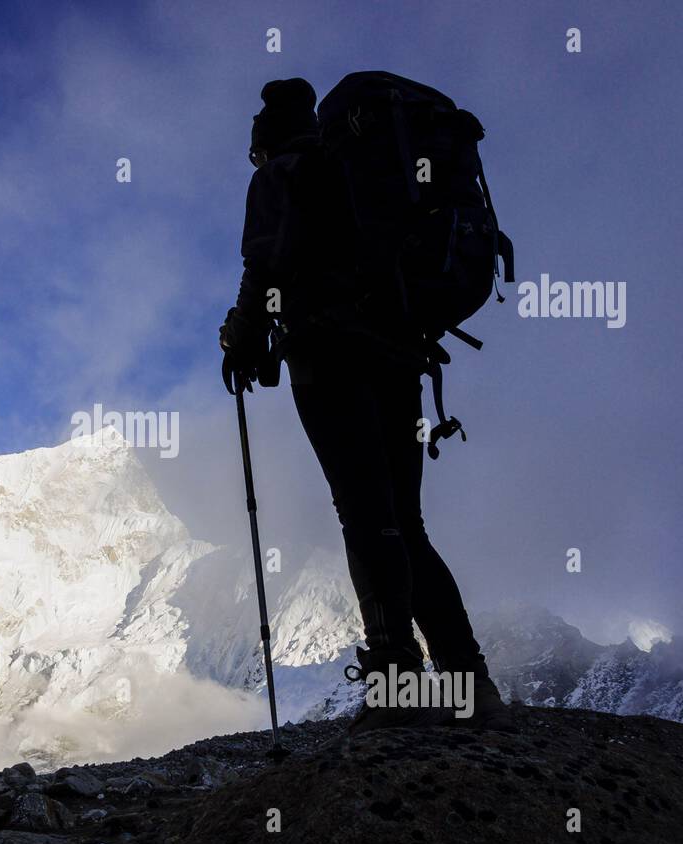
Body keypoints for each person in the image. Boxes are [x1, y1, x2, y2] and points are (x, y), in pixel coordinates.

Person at [219, 78, 511, 733]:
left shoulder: (283, 174)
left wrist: (241, 337)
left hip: (329, 357)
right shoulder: (365, 169)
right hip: (401, 355)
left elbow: (264, 268)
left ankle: (395, 678)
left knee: (364, 514)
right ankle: (472, 685)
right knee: (406, 520)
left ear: (265, 143)